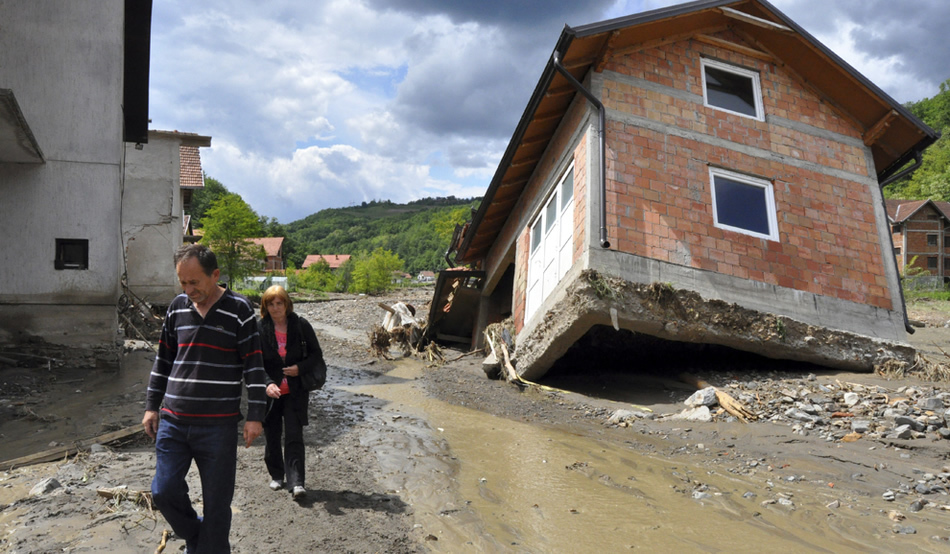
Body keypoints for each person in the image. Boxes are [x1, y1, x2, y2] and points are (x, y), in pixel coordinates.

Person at [143, 244, 267, 553]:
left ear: (215, 275)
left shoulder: (239, 310)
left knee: (217, 503)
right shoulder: (177, 307)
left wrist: (255, 416)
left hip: (217, 426)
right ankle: (196, 536)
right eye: (182, 282)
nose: (188, 290)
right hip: (174, 420)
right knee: (163, 490)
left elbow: (254, 366)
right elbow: (163, 360)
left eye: (194, 282)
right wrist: (151, 407)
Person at [258, 285, 325, 500]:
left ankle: (297, 482)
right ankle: (277, 475)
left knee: (294, 435)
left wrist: (300, 368)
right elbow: (254, 363)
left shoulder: (301, 325)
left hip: (296, 391)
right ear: (265, 307)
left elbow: (316, 354)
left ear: (287, 304)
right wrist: (267, 383)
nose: (275, 308)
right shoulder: (260, 328)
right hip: (271, 393)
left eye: (279, 303)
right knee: (272, 435)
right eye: (271, 304)